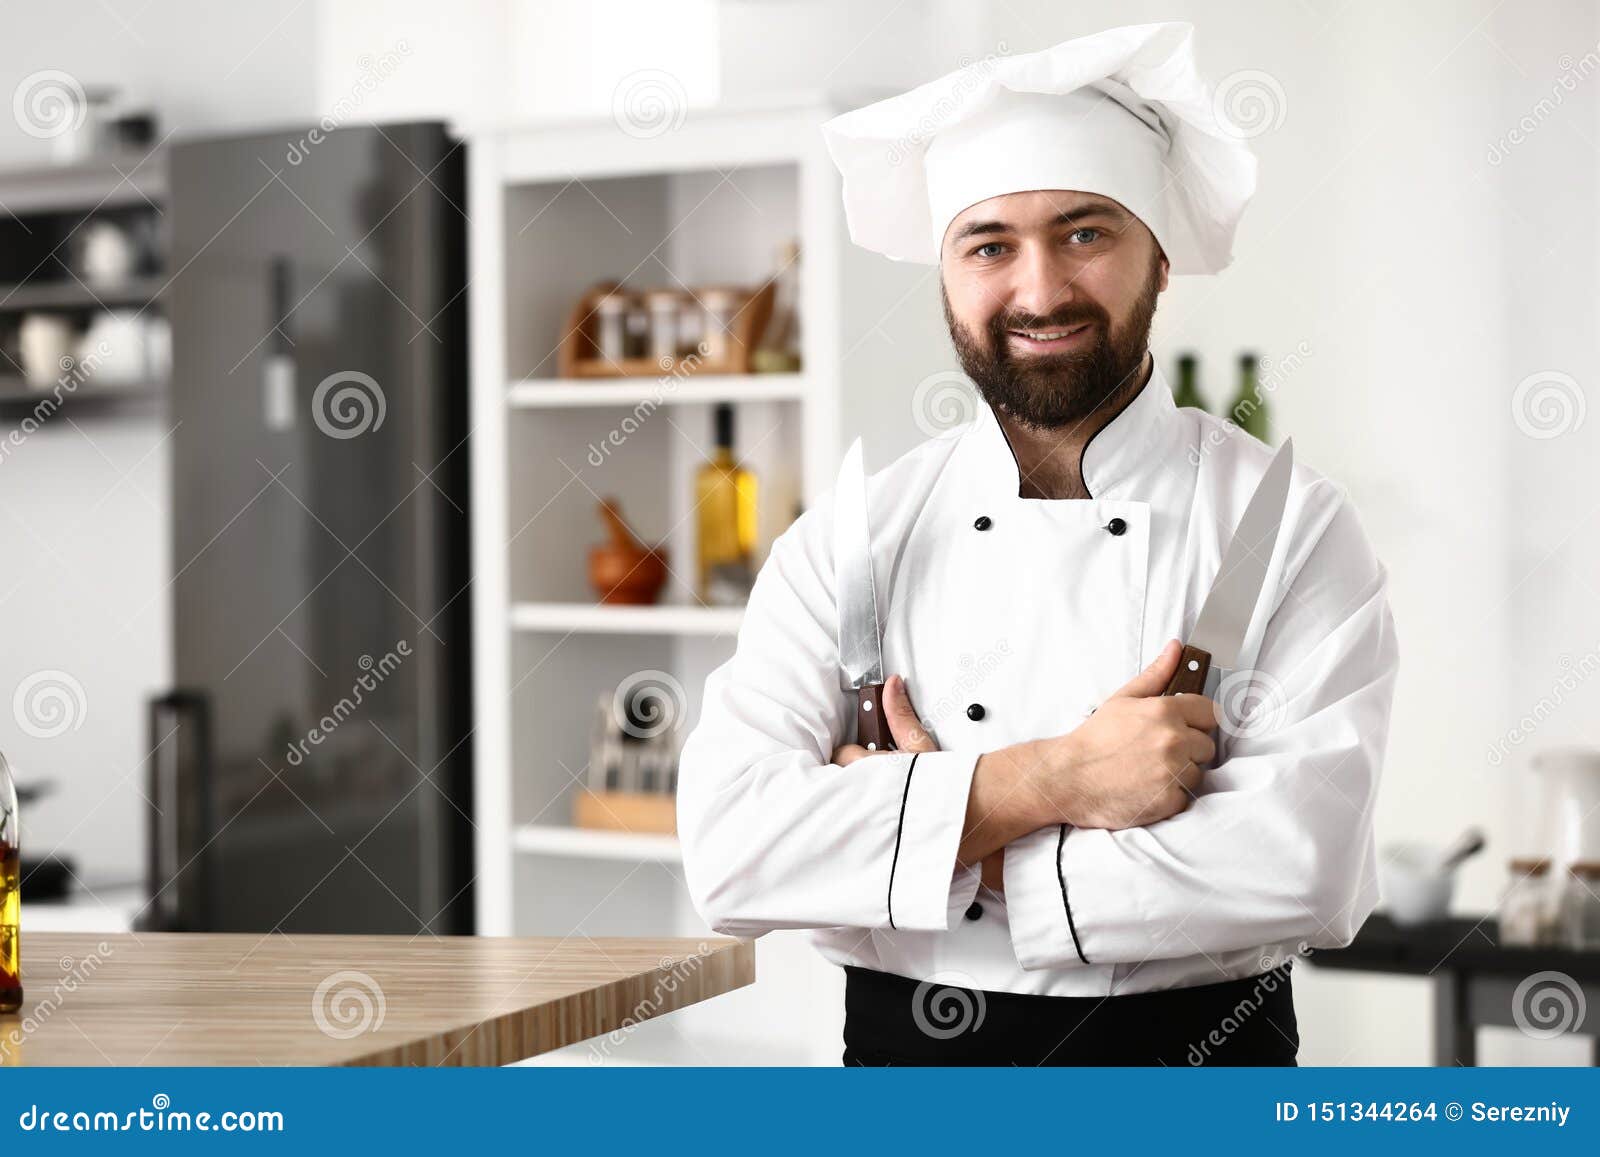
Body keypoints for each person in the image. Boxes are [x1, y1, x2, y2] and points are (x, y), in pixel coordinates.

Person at [676, 21, 1400, 1066]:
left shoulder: (1286, 523)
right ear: (945, 271)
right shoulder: (855, 535)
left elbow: (1303, 864)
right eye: (989, 244)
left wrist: (934, 833)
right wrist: (1058, 777)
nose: (1039, 289)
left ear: (1158, 254)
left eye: (1084, 232)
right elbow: (735, 851)